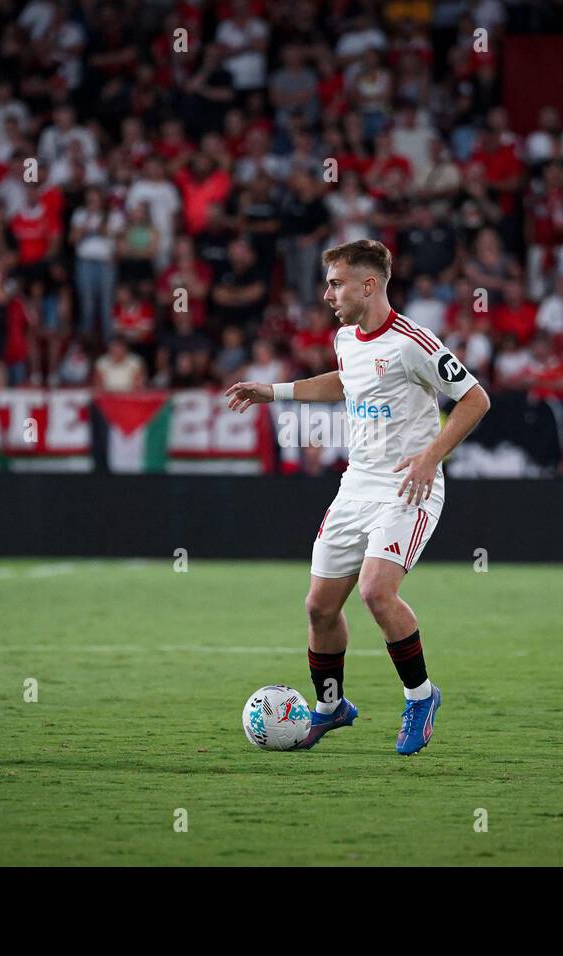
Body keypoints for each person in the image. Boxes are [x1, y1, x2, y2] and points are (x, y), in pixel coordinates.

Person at [225, 239, 490, 756]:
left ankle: (421, 697)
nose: (327, 295)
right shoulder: (346, 337)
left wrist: (430, 457)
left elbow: (475, 398)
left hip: (408, 486)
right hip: (356, 486)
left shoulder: (413, 341)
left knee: (375, 591)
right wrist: (273, 391)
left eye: (336, 284)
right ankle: (330, 706)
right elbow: (346, 383)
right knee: (320, 607)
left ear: (369, 285)